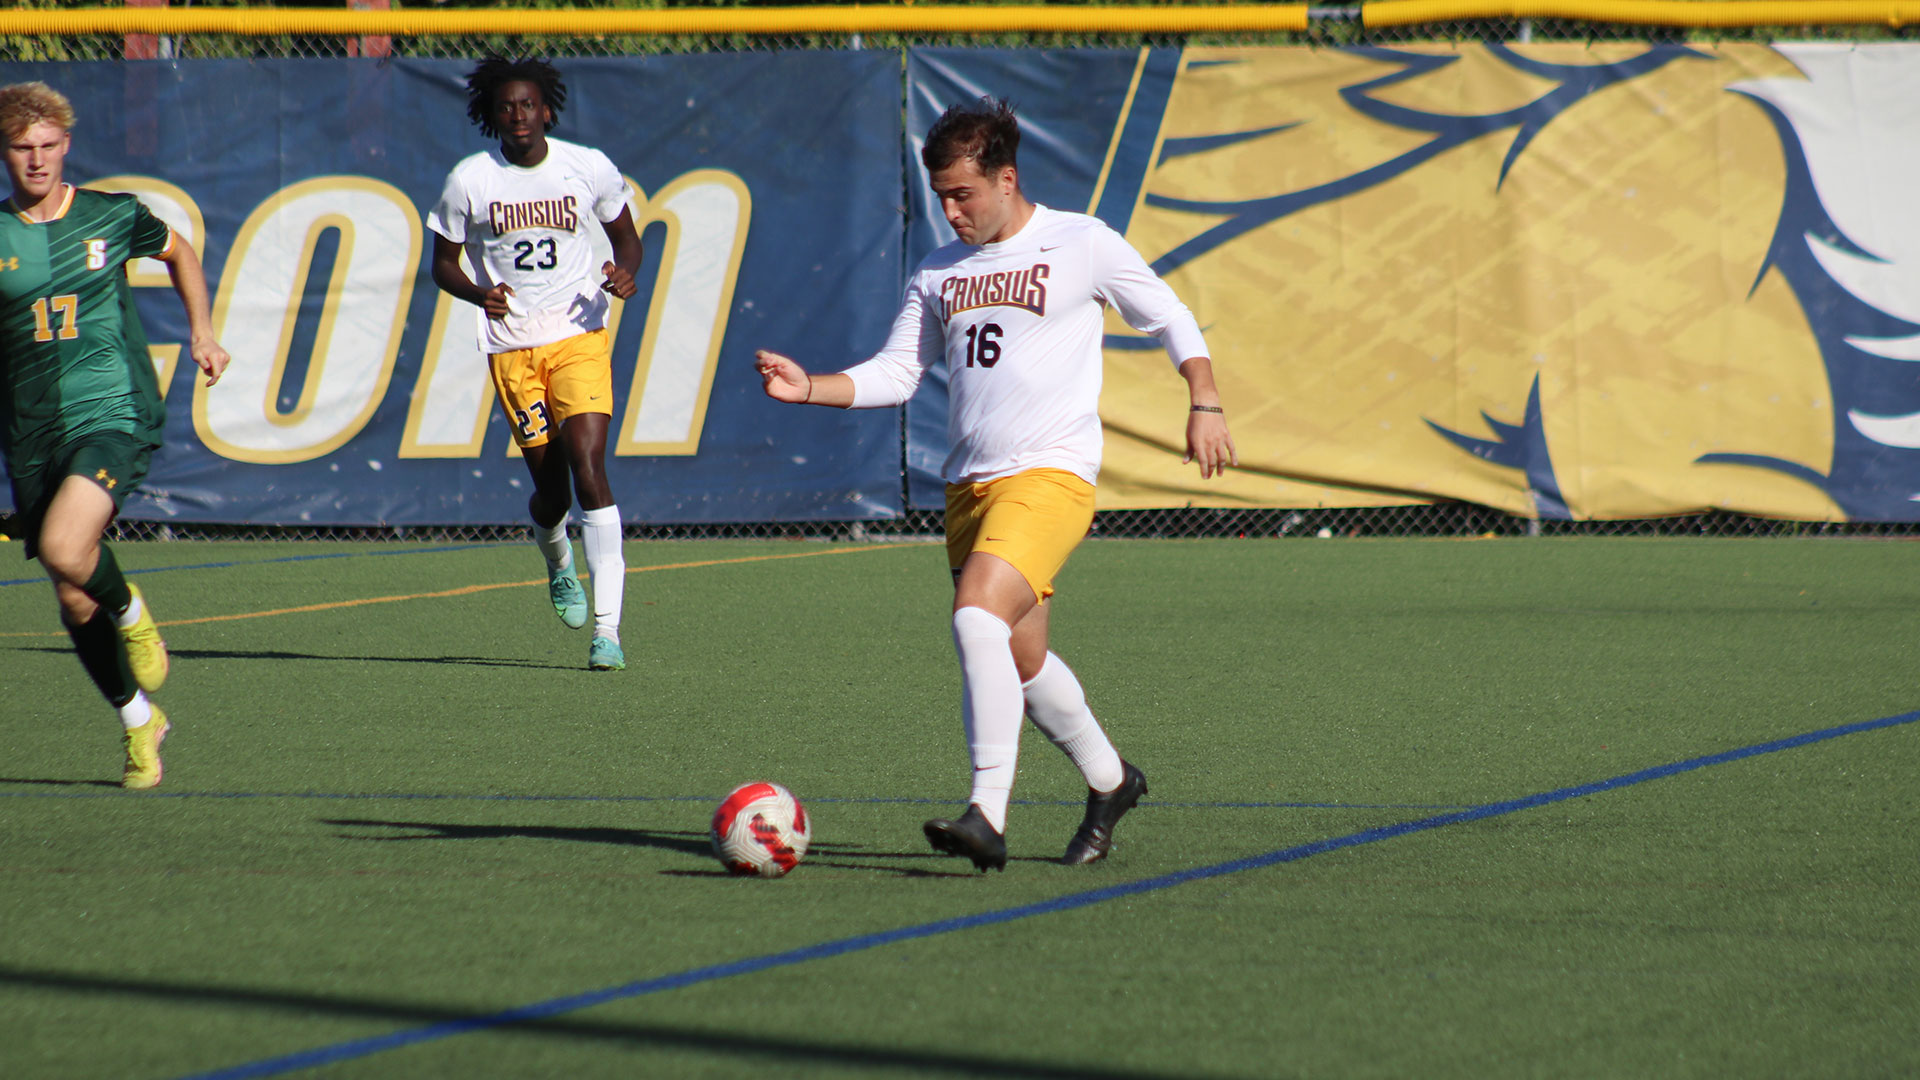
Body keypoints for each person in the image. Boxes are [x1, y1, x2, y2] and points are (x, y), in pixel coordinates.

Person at [756, 98, 1237, 871]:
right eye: (941, 196)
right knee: (1023, 661)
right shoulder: (939, 269)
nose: (951, 211)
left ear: (1007, 179)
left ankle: (987, 813)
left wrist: (1205, 402)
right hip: (969, 491)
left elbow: (1170, 316)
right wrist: (810, 386)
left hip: (1051, 477)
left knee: (975, 619)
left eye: (964, 194)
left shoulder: (1081, 242)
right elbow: (899, 372)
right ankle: (1112, 782)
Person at [0, 82, 231, 789]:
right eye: (21, 148)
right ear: (5, 153)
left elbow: (181, 252)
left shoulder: (110, 216)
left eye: (47, 146)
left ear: (66, 145)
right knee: (71, 593)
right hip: (32, 431)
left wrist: (202, 331)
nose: (36, 161)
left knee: (68, 547)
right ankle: (139, 722)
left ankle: (132, 610)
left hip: (113, 412)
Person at [427, 56, 644, 672]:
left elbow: (626, 236)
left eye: (527, 105)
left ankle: (609, 631)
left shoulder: (588, 166)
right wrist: (478, 293)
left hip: (579, 334)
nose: (518, 115)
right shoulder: (470, 180)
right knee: (550, 491)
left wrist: (625, 271)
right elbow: (442, 265)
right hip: (513, 346)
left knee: (588, 467)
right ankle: (556, 560)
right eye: (506, 107)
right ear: (490, 117)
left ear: (546, 109)